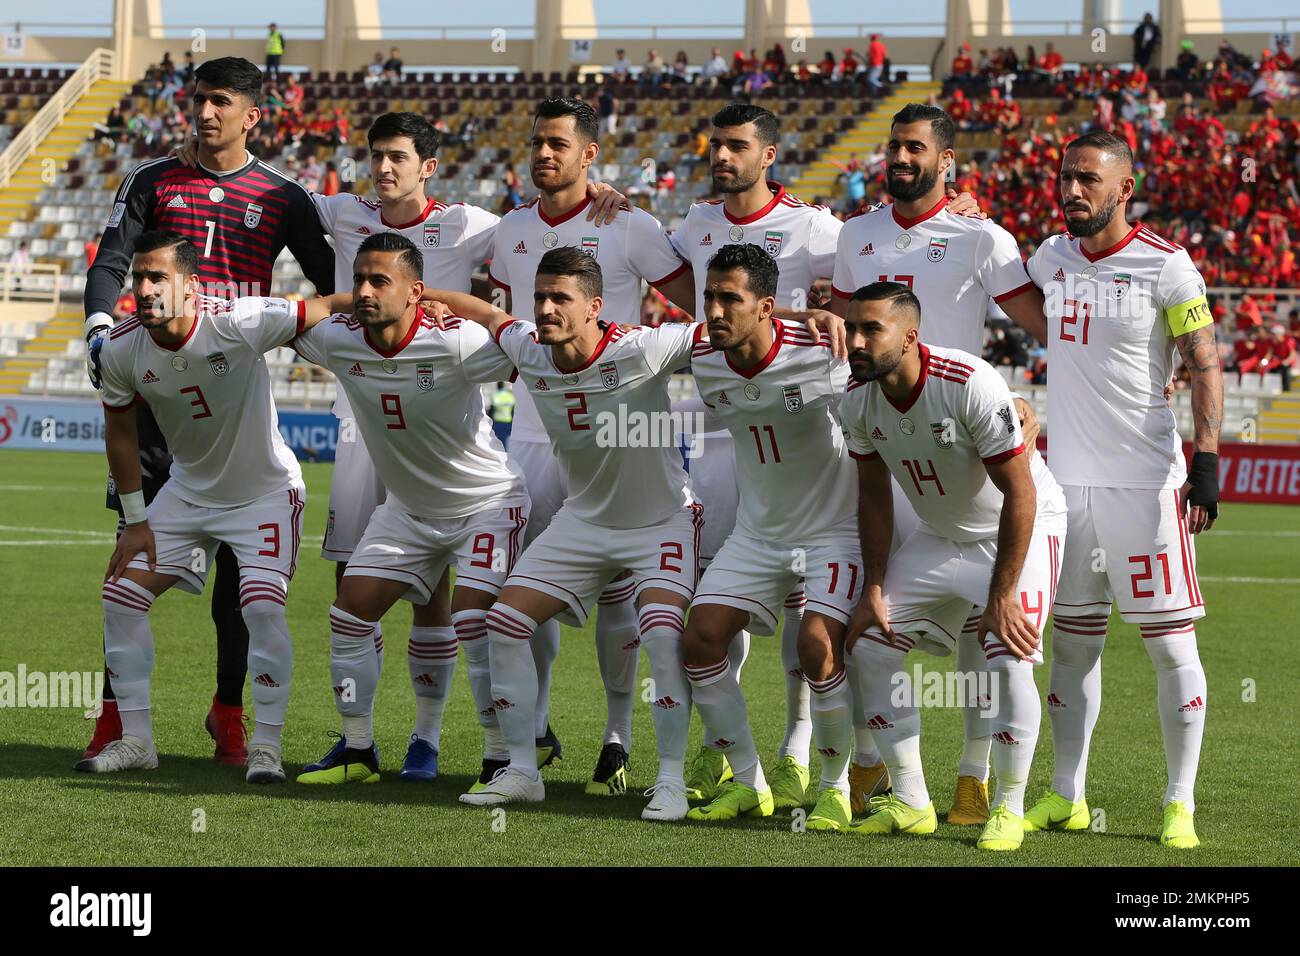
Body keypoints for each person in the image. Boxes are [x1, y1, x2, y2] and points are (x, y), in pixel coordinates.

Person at [82, 56, 336, 768]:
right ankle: (116, 721)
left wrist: (340, 349)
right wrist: (99, 326)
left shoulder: (283, 195)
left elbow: (328, 281)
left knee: (238, 580)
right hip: (157, 389)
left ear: (254, 113)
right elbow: (110, 259)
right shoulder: (151, 178)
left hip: (229, 393)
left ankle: (228, 712)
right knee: (131, 553)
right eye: (198, 100)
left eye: (219, 101)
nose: (203, 112)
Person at [429, 252, 714, 817]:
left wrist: (811, 316)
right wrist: (428, 301)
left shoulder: (642, 347)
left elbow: (732, 324)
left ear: (595, 307)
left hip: (661, 522)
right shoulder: (531, 347)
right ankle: (522, 770)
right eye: (540, 298)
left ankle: (672, 780)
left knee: (661, 636)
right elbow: (488, 315)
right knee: (504, 623)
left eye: (561, 299)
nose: (547, 309)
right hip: (583, 522)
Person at [828, 103, 1050, 824]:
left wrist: (1027, 396)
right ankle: (862, 765)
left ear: (946, 160)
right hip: (880, 437)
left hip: (968, 441)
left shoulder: (980, 235)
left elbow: (1047, 324)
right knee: (859, 608)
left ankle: (973, 777)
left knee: (979, 632)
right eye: (893, 145)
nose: (899, 157)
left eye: (915, 147)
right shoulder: (853, 232)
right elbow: (839, 329)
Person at [77, 230, 352, 782]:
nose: (146, 289)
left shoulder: (239, 319)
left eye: (159, 277)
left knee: (260, 606)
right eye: (139, 278)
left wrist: (423, 304)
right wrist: (135, 522)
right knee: (120, 596)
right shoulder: (123, 347)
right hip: (189, 492)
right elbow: (121, 432)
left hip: (265, 494)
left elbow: (323, 305)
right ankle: (137, 742)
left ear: (191, 286)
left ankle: (267, 748)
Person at [487, 97, 696, 793]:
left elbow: (701, 303)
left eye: (558, 144)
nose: (544, 154)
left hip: (626, 431)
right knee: (524, 586)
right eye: (537, 142)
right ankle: (534, 733)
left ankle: (618, 733)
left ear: (589, 156)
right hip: (537, 432)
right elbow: (494, 314)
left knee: (622, 599)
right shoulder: (509, 230)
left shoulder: (629, 224)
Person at [1024, 130, 1221, 849]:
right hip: (1066, 488)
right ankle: (1066, 794)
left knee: (1170, 647)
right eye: (1064, 178)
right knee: (1072, 647)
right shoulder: (1049, 258)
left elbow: (1204, 362)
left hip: (1145, 485)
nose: (1071, 191)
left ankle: (1179, 803)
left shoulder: (1168, 266)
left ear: (1122, 189)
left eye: (1086, 180)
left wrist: (1207, 462)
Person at [292, 233, 529, 787]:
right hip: (408, 511)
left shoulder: (455, 340)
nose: (366, 292)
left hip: (487, 504)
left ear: (415, 291)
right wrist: (335, 301)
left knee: (472, 619)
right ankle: (357, 750)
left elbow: (514, 332)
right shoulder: (340, 340)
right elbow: (286, 323)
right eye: (360, 281)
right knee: (349, 614)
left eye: (381, 282)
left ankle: (498, 757)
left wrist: (449, 300)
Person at [839, 281, 1066, 849]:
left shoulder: (968, 383)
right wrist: (875, 586)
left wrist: (1003, 593)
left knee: (1009, 655)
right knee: (868, 641)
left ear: (910, 336)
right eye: (851, 329)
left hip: (1022, 530)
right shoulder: (857, 400)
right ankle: (912, 800)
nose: (856, 342)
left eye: (872, 330)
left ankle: (1008, 808)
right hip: (941, 537)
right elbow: (872, 495)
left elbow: (1021, 494)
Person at [680, 243, 856, 829]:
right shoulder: (705, 357)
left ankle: (834, 787)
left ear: (767, 307)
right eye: (710, 297)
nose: (716, 310)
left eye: (731, 298)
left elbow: (894, 349)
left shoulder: (824, 349)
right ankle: (750, 783)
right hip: (758, 534)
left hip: (832, 530)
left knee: (816, 647)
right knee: (701, 638)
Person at [490, 381, 515, 446]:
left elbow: (491, 409)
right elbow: (513, 409)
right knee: (506, 440)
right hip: (508, 421)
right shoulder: (509, 395)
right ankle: (506, 454)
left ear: (497, 386)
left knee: (497, 440)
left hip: (497, 421)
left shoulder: (495, 395)